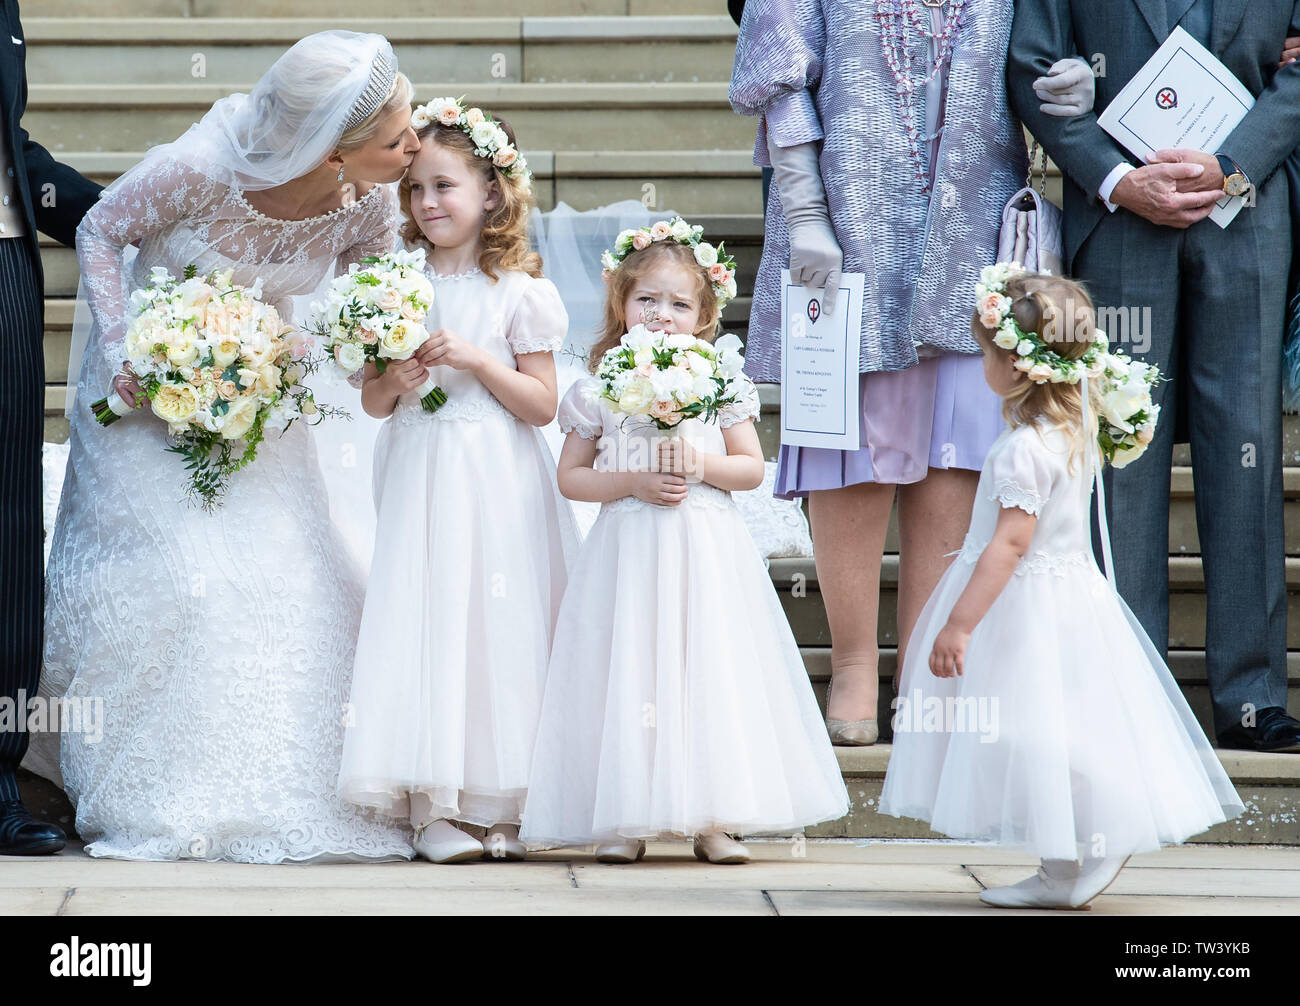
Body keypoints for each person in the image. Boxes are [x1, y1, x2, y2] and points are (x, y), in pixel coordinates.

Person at [27, 31, 419, 862]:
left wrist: (360, 346)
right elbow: (99, 230)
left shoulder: (372, 204)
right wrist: (131, 346)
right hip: (144, 404)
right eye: (396, 136)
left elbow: (369, 309)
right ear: (335, 149)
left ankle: (287, 782)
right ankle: (137, 780)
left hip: (262, 403)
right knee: (185, 583)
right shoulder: (201, 170)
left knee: (293, 579)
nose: (415, 144)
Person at [728, 0, 1096, 746]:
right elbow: (780, 79)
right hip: (846, 230)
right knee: (851, 454)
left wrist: (1074, 89)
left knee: (953, 451)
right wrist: (803, 212)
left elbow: (1037, 59)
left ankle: (929, 675)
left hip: (973, 233)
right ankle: (855, 666)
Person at [879, 268, 1243, 908]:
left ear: (1018, 368)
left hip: (1024, 603)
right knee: (1042, 729)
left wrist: (960, 624)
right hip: (1070, 595)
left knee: (1031, 732)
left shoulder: (1023, 449)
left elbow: (1011, 543)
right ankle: (1058, 867)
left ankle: (1098, 837)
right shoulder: (1070, 432)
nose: (978, 363)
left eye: (985, 352)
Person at [1008, 0, 1300, 753]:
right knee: (1118, 452)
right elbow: (1029, 63)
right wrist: (1114, 179)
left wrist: (1232, 167)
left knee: (1245, 446)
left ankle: (1251, 699)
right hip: (1119, 225)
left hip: (1251, 210)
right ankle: (1124, 690)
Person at [519, 219, 849, 864]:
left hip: (704, 547)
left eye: (679, 304)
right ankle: (622, 815)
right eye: (647, 300)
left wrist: (698, 467)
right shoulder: (599, 385)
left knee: (709, 665)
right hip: (629, 549)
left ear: (704, 316)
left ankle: (715, 817)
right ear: (620, 304)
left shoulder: (722, 378)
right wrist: (634, 480)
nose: (661, 316)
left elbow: (751, 469)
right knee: (628, 664)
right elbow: (572, 479)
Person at [337, 97, 579, 864]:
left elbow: (542, 406)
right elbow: (373, 401)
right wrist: (399, 376)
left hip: (498, 477)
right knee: (429, 615)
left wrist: (479, 359)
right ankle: (432, 804)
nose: (426, 202)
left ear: (492, 194)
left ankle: (507, 798)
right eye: (415, 188)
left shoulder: (519, 292)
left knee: (498, 625)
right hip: (421, 469)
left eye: (444, 186)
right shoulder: (392, 283)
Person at [0, 0, 102, 856]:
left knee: (6, 524)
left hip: (2, 267)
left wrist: (113, 215)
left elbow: (13, 145)